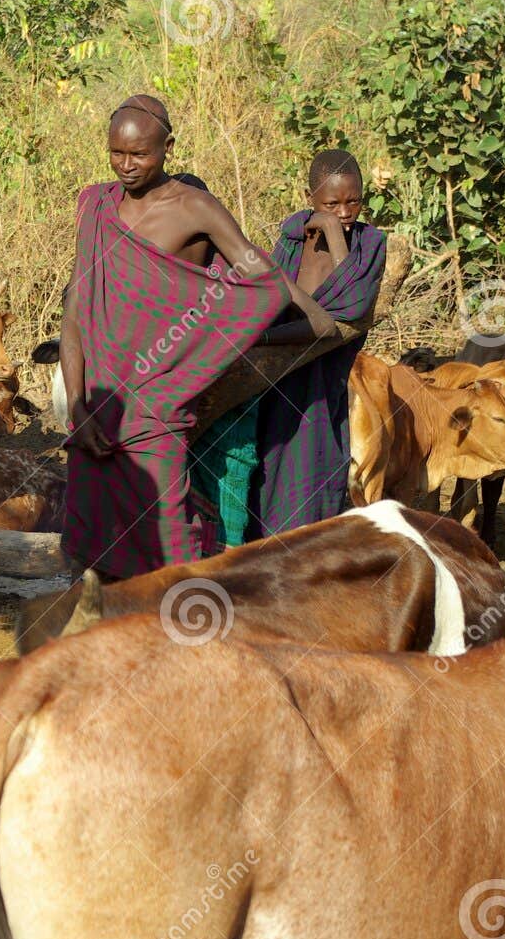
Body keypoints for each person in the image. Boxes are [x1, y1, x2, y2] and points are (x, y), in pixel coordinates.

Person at [60, 95, 336, 578]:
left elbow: (263, 285)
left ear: (167, 147)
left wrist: (198, 365)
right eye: (117, 153)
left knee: (168, 547)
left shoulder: (195, 208)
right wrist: (79, 407)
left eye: (140, 154)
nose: (126, 166)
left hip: (156, 408)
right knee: (97, 550)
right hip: (102, 405)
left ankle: (184, 643)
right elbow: (77, 310)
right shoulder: (95, 205)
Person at [250, 149, 386, 535]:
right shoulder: (291, 241)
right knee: (269, 474)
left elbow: (353, 301)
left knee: (317, 477)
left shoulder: (369, 242)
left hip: (325, 383)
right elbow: (271, 300)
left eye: (353, 200)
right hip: (276, 381)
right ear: (310, 197)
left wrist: (329, 230)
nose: (345, 212)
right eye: (332, 204)